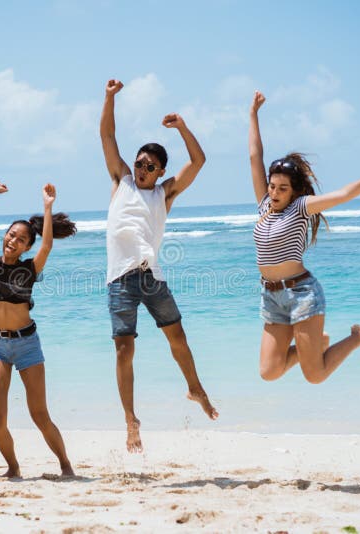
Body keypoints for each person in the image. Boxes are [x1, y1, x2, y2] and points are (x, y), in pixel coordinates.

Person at [247, 91, 360, 384]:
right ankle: (315, 343)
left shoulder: (300, 207)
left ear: (294, 190)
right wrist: (253, 114)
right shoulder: (264, 205)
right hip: (271, 296)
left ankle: (356, 338)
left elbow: (343, 194)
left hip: (302, 294)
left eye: (283, 188)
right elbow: (255, 156)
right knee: (268, 372)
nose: (275, 192)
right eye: (272, 186)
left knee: (315, 375)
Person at [100, 78, 219, 454]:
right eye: (138, 163)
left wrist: (183, 127)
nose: (141, 169)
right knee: (123, 349)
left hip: (152, 276)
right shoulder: (121, 181)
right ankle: (131, 420)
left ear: (160, 170)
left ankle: (194, 387)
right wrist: (109, 98)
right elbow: (107, 135)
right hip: (120, 277)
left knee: (177, 337)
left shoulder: (163, 193)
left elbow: (199, 162)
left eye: (149, 166)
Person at [0, 181, 76, 478]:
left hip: (27, 345)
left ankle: (66, 465)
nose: (13, 241)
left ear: (27, 246)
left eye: (21, 240)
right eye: (11, 235)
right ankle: (13, 468)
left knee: (39, 414)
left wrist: (48, 208)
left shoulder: (29, 269)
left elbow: (48, 245)